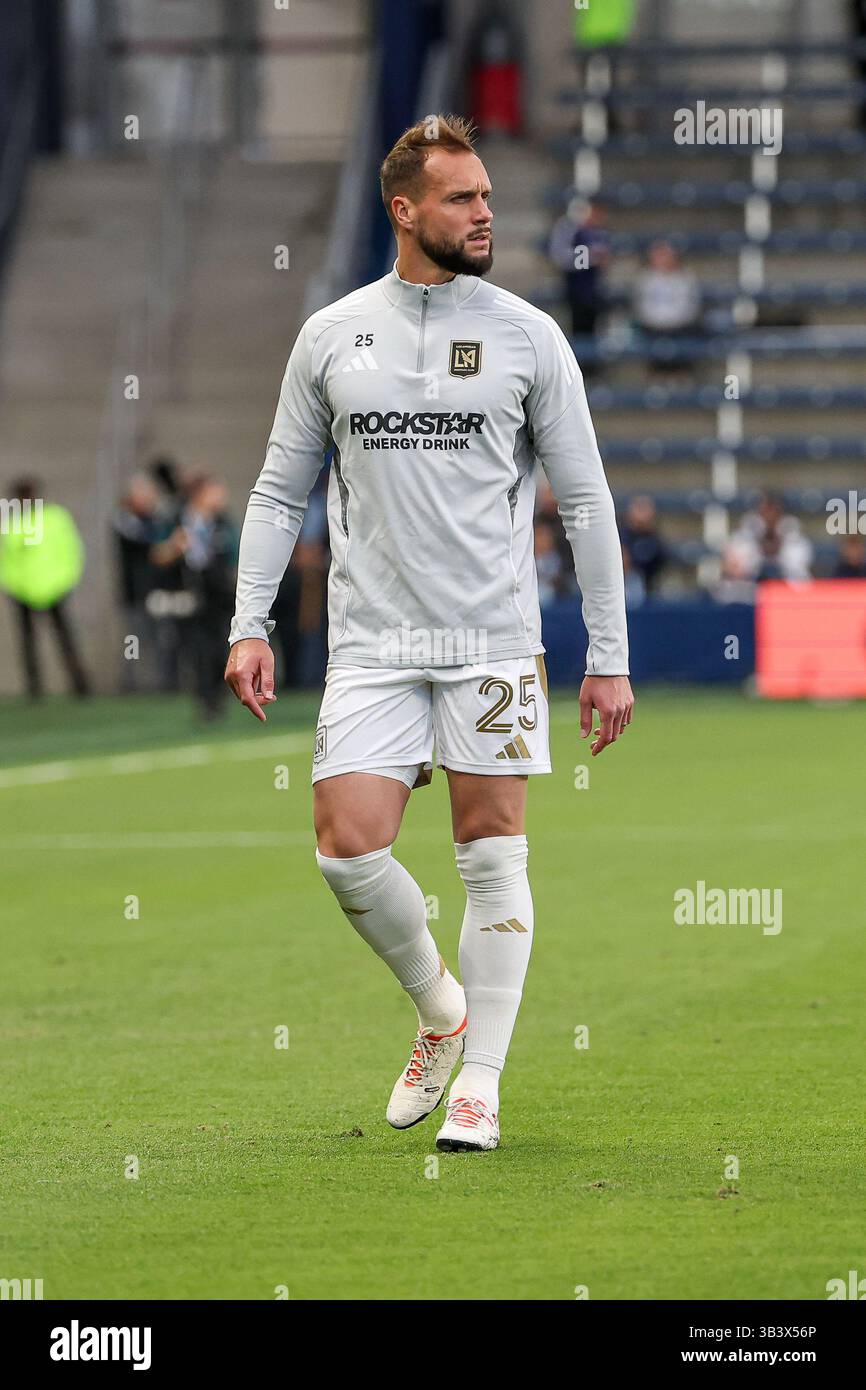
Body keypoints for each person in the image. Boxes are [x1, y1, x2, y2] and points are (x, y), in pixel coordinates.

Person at [225, 114, 632, 1153]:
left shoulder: (529, 336)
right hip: (371, 646)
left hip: (492, 639)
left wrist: (607, 655)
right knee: (345, 849)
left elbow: (583, 502)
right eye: (462, 198)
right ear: (404, 210)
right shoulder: (329, 335)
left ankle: (481, 1083)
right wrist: (250, 621)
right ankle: (440, 1009)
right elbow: (278, 492)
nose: (483, 212)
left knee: (491, 854)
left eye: (487, 196)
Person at [0, 477, 90, 697]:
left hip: (55, 588)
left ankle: (81, 685)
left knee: (65, 639)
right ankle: (34, 688)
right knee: (28, 643)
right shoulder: (10, 522)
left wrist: (66, 580)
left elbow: (71, 549)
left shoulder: (55, 517)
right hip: (23, 591)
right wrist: (12, 585)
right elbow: (6, 559)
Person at [548, 197, 611, 343]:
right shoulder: (568, 228)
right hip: (576, 287)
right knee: (579, 328)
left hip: (594, 287)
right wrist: (592, 256)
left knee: (594, 329)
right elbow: (560, 257)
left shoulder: (597, 231)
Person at [633, 240, 701, 372]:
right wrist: (658, 322)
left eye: (665, 256)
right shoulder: (645, 279)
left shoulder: (686, 278)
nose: (662, 260)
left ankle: (681, 377)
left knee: (687, 341)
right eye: (658, 256)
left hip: (680, 329)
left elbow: (689, 308)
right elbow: (641, 307)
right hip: (652, 329)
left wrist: (669, 322)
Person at [620, 495, 667, 595]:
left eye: (644, 510)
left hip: (644, 589)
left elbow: (658, 564)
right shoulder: (621, 535)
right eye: (639, 509)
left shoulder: (653, 541)